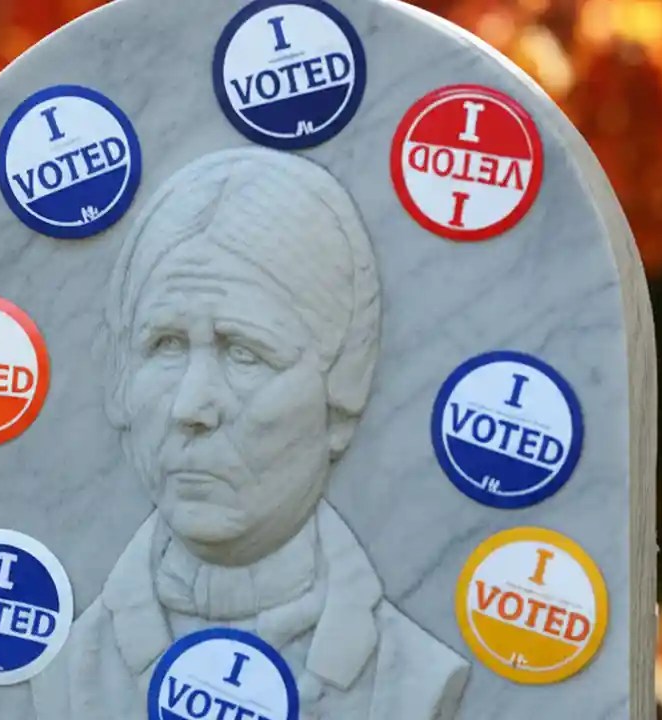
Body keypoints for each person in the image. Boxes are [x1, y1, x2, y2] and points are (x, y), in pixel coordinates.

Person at [30, 148, 469, 718]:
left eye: (244, 353)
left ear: (343, 387)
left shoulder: (410, 680)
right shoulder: (69, 669)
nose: (192, 407)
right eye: (165, 345)